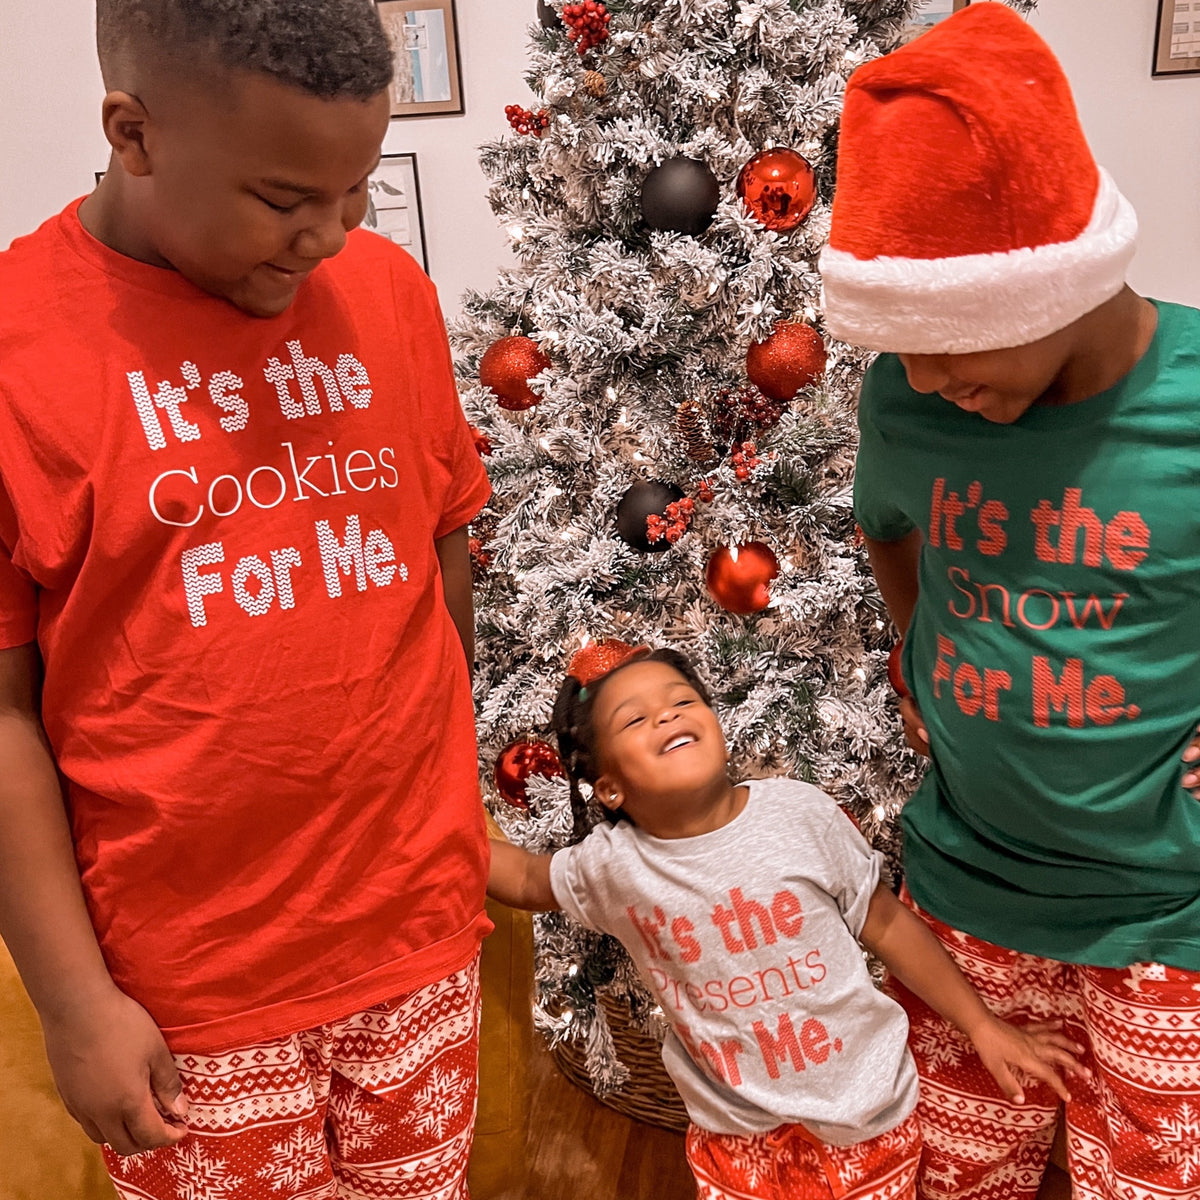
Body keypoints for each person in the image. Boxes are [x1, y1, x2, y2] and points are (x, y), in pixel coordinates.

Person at [0, 2, 492, 1196]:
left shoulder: (384, 294)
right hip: (191, 984)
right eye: (282, 201)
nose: (327, 236)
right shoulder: (18, 346)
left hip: (415, 931)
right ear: (135, 134)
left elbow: (440, 557)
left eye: (355, 191)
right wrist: (73, 1003)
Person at [818, 5, 1200, 1199]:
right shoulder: (909, 400)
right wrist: (920, 652)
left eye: (952, 345)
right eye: (903, 348)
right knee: (950, 1179)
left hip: (1163, 921)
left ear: (1054, 283)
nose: (928, 380)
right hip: (967, 898)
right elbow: (894, 532)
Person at [488, 642, 1083, 1200]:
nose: (665, 717)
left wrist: (980, 1023)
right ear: (609, 787)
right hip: (735, 1140)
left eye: (681, 701)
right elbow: (522, 878)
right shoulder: (614, 866)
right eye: (635, 721)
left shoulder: (800, 812)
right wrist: (427, 817)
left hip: (867, 1121)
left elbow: (887, 923)